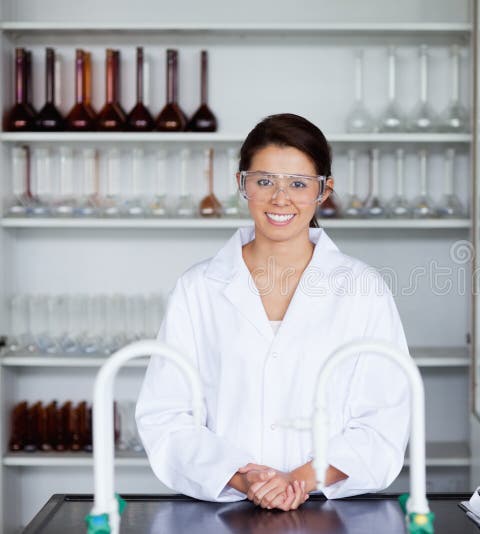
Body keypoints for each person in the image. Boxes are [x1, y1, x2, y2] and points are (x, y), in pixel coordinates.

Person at [136, 113, 411, 512]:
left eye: (298, 184)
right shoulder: (198, 288)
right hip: (224, 507)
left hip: (327, 511)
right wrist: (243, 479)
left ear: (324, 190)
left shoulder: (362, 289)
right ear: (242, 184)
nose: (281, 198)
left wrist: (298, 480)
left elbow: (384, 419)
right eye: (264, 181)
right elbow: (166, 415)